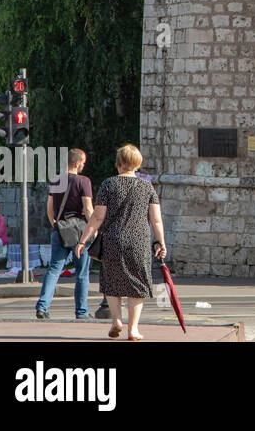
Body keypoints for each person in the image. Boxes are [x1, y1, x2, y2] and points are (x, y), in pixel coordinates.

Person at [74, 144, 167, 341]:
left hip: (112, 239)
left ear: (118, 164)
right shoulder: (147, 187)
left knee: (111, 281)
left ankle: (116, 320)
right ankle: (133, 329)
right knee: (137, 284)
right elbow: (156, 219)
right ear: (137, 164)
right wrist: (160, 242)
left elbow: (97, 217)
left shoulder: (108, 185)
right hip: (139, 241)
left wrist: (83, 241)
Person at [35, 148, 95, 319]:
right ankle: (82, 312)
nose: (83, 165)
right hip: (79, 232)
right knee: (82, 272)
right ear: (76, 163)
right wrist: (94, 229)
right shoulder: (83, 181)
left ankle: (42, 306)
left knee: (54, 269)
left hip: (60, 230)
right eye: (83, 162)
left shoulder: (56, 181)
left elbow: (49, 208)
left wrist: (56, 224)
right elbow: (88, 208)